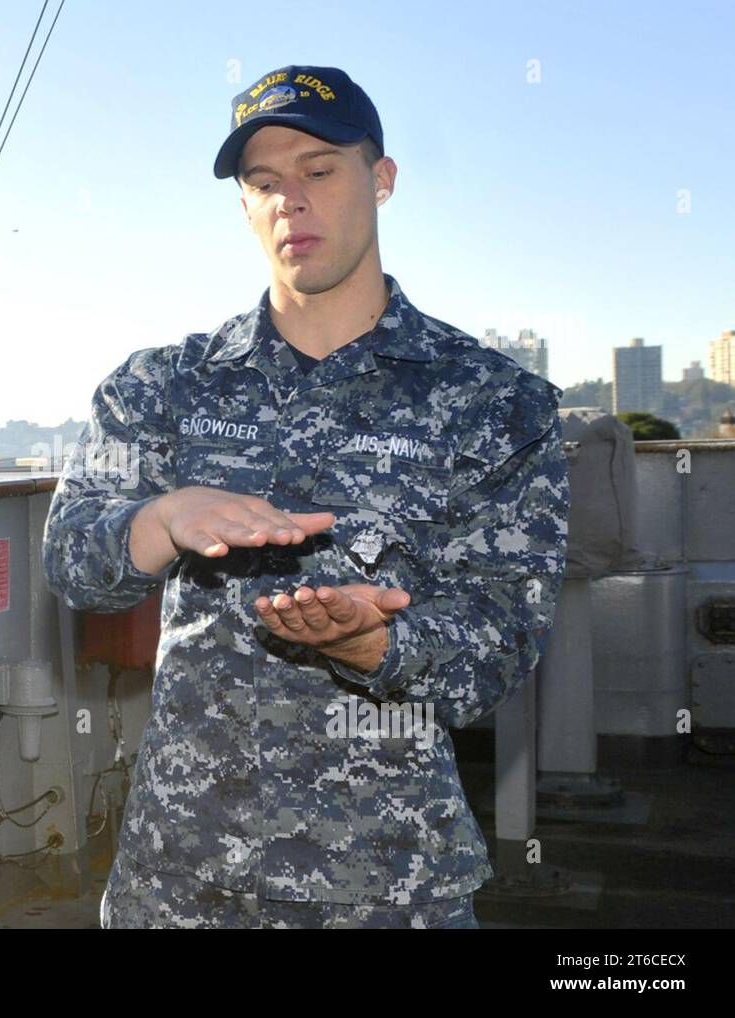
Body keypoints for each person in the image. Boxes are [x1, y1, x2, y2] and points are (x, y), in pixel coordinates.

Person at [42, 65, 570, 929]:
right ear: (244, 205)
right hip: (181, 879)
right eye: (263, 182)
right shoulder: (160, 387)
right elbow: (73, 563)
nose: (292, 200)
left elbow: (504, 637)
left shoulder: (494, 402)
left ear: (382, 179)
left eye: (319, 170)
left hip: (388, 885)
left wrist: (376, 645)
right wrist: (160, 518)